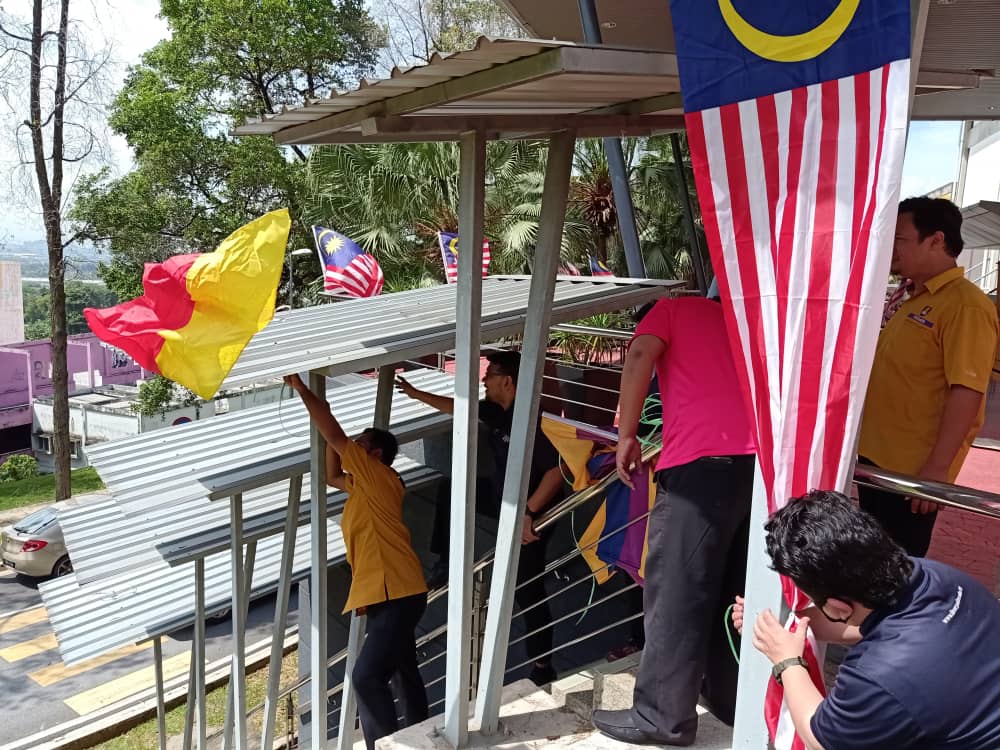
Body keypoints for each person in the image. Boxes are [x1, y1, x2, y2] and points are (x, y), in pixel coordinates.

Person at [591, 294, 756, 746]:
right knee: (731, 587)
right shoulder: (743, 316)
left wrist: (625, 435)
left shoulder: (671, 308)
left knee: (676, 589)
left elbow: (641, 353)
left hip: (699, 462)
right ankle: (727, 697)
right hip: (755, 466)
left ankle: (662, 717)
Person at [740, 490, 1000, 750]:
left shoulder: (876, 677)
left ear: (838, 607)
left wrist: (787, 662)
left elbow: (820, 739)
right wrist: (784, 630)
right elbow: (866, 624)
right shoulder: (935, 576)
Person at [395, 350, 564, 686]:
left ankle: (544, 666)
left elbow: (557, 472)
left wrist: (528, 513)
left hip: (534, 513)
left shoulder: (533, 419)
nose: (483, 380)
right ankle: (444, 562)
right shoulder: (498, 410)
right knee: (452, 488)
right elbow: (460, 407)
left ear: (508, 381)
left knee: (526, 588)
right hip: (507, 501)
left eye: (489, 375)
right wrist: (415, 394)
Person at [284, 373, 428, 750]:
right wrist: (325, 413)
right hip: (392, 592)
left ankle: (383, 745)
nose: (352, 449)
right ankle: (422, 736)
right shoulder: (364, 483)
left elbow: (334, 436)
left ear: (374, 454)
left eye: (359, 445)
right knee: (402, 670)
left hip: (397, 591)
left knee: (365, 677)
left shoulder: (376, 473)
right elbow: (331, 472)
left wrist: (305, 392)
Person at [859, 197, 999, 556]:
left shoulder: (965, 306)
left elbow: (966, 391)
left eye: (900, 239)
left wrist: (936, 471)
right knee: (868, 568)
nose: (891, 249)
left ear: (936, 240)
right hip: (876, 462)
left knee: (896, 571)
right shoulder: (912, 300)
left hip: (910, 477)